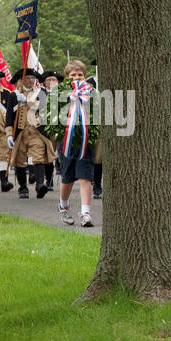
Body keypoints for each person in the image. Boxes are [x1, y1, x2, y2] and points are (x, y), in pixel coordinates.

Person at [57, 59, 98, 227]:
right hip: (67, 141)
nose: (77, 78)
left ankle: (85, 212)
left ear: (85, 76)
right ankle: (63, 205)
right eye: (73, 75)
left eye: (80, 75)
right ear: (67, 77)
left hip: (85, 141)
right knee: (68, 178)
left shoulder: (91, 92)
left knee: (85, 177)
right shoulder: (59, 93)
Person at [10, 68, 50, 199]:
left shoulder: (41, 92)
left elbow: (44, 106)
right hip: (20, 133)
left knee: (39, 157)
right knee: (20, 161)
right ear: (21, 81)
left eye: (32, 78)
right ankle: (23, 187)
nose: (30, 80)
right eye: (27, 78)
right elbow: (9, 116)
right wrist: (9, 134)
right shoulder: (13, 95)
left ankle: (40, 185)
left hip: (36, 131)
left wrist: (27, 101)